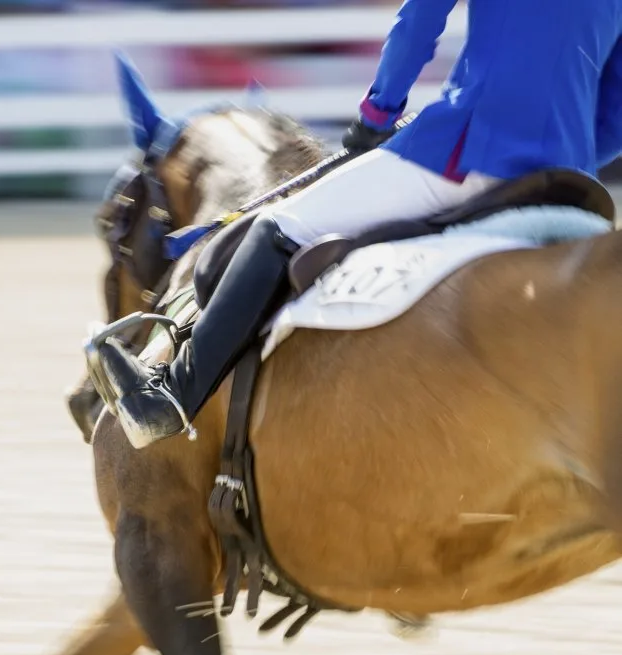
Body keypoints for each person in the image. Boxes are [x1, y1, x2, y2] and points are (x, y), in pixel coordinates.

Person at [101, 0, 622, 450]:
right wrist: (562, 152)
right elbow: (616, 110)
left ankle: (169, 397)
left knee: (279, 227)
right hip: (568, 176)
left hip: (466, 151)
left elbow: (418, 25)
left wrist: (376, 117)